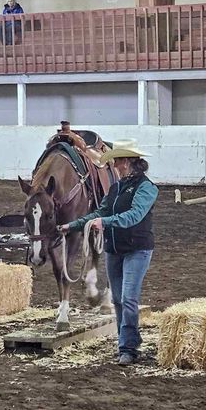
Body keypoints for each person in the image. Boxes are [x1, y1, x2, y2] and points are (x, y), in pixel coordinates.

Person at [60, 142, 158, 367]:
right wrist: (72, 225)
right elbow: (99, 212)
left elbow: (134, 216)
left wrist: (104, 222)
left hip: (137, 248)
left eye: (115, 161)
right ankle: (129, 341)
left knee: (128, 298)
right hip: (114, 249)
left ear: (126, 162)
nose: (113, 165)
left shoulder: (146, 188)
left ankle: (128, 348)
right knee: (118, 299)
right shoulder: (115, 189)